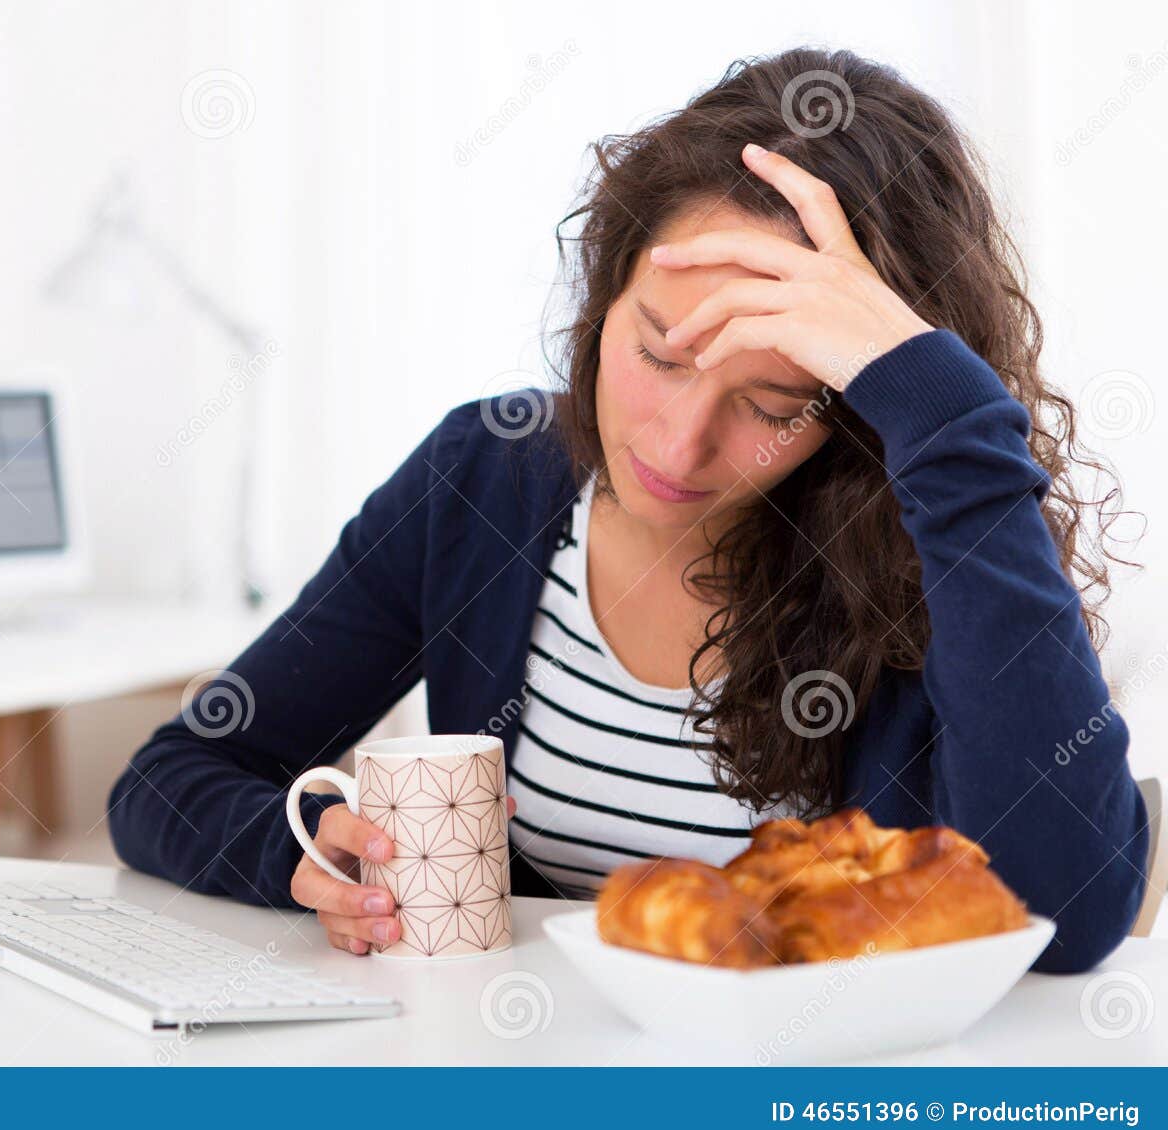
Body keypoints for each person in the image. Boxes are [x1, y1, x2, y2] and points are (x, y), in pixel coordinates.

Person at [108, 46, 1148, 974]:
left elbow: (1064, 917)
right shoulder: (486, 478)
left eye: (772, 405)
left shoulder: (936, 529)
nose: (675, 445)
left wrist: (945, 417)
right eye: (658, 351)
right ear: (602, 299)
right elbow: (173, 775)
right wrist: (302, 855)